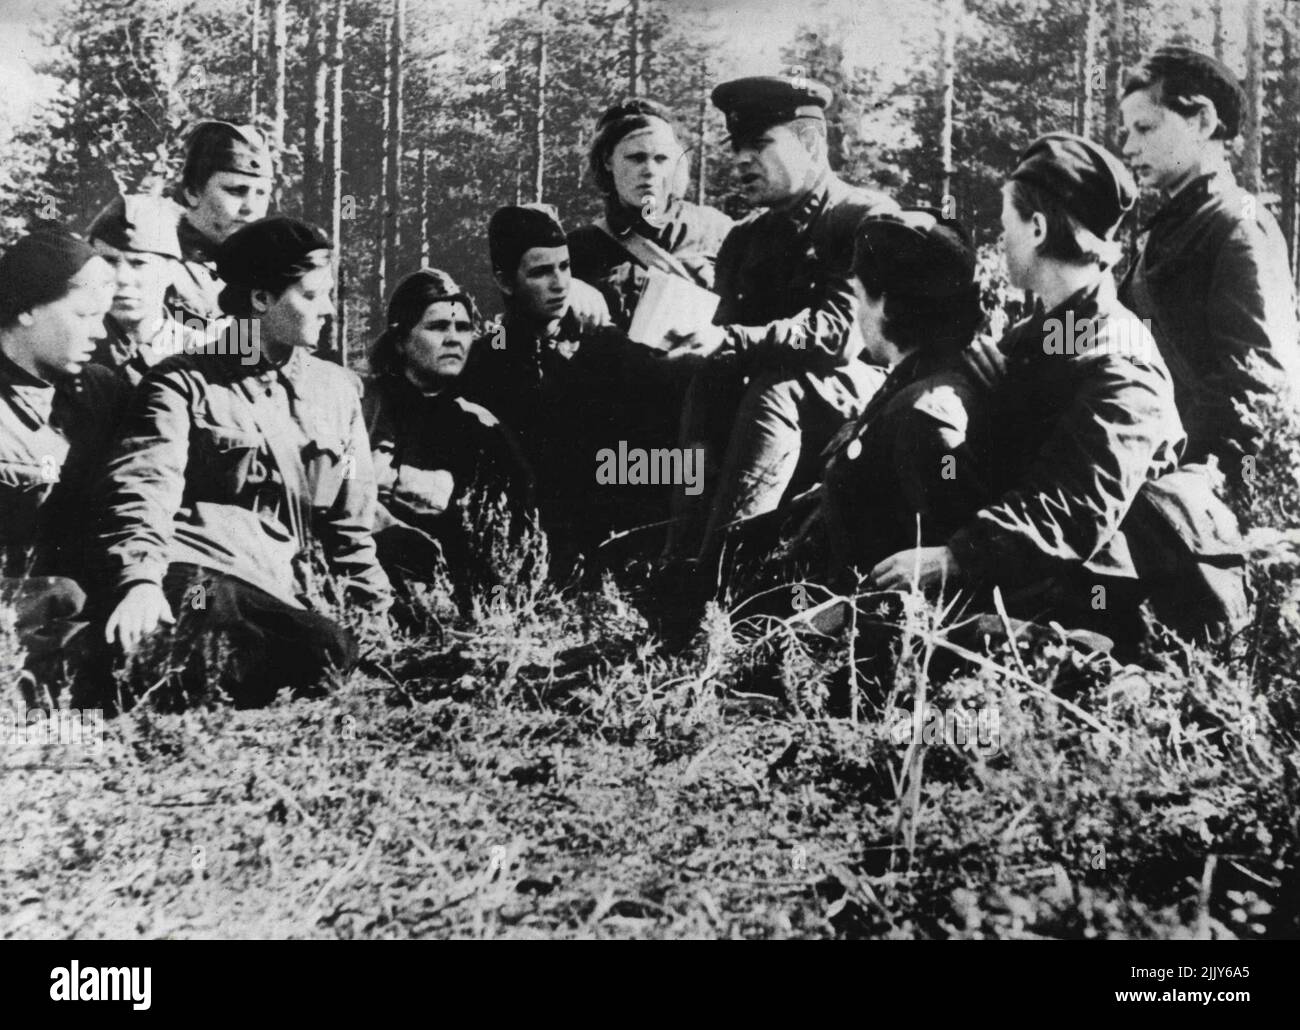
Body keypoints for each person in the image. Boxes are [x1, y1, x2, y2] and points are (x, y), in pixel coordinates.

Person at [863, 133, 1248, 649]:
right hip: (1059, 569)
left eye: (1007, 224)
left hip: (1127, 599)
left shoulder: (1121, 360)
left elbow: (1073, 505)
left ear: (1038, 228)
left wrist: (951, 558)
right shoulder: (1054, 331)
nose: (1001, 240)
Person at [99, 216, 390, 708]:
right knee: (207, 610)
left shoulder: (339, 393)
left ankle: (183, 681)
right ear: (260, 299)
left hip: (273, 584)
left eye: (328, 294)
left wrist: (374, 614)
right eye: (312, 296)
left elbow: (351, 523)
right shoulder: (182, 384)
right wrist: (141, 580)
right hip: (196, 572)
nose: (329, 311)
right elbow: (147, 484)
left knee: (329, 649)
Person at [662, 74, 899, 566]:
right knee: (711, 378)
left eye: (760, 144)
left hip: (869, 401)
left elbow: (838, 334)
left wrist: (728, 339)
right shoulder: (747, 239)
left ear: (810, 142)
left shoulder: (864, 217)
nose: (741, 159)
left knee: (775, 384)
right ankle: (679, 556)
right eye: (736, 147)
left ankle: (722, 576)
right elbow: (723, 337)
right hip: (781, 413)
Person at [460, 204, 681, 570]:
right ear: (504, 281)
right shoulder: (484, 363)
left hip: (616, 536)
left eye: (565, 267)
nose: (560, 283)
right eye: (542, 272)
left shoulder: (607, 349)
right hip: (526, 548)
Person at [1118, 45, 1300, 486]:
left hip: (1198, 483)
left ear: (1201, 121)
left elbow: (1259, 383)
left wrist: (1170, 460)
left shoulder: (1239, 224)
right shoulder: (1180, 223)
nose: (1128, 147)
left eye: (1144, 128)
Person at [818, 208, 985, 586]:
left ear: (887, 304)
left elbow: (943, 562)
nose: (857, 315)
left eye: (860, 297)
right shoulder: (919, 379)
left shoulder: (925, 414)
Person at [0, 229, 124, 694]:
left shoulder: (103, 391)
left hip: (86, 599)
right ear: (27, 308)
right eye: (84, 315)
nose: (99, 332)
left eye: (103, 316)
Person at [365, 268, 533, 606]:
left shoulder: (482, 427)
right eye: (438, 327)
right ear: (400, 340)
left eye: (464, 328)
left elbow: (511, 526)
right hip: (372, 581)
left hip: (457, 595)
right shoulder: (363, 406)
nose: (454, 338)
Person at [567, 97, 733, 331]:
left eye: (662, 158)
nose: (650, 170)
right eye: (636, 158)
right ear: (608, 161)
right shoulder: (578, 248)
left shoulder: (716, 229)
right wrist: (569, 287)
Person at [86, 194, 207, 386]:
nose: (121, 278)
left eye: (138, 263)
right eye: (109, 261)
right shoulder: (73, 347)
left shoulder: (202, 351)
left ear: (171, 271)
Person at [168, 120, 274, 328]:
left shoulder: (262, 270)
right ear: (192, 192)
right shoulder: (162, 267)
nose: (250, 207)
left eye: (261, 193)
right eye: (236, 191)